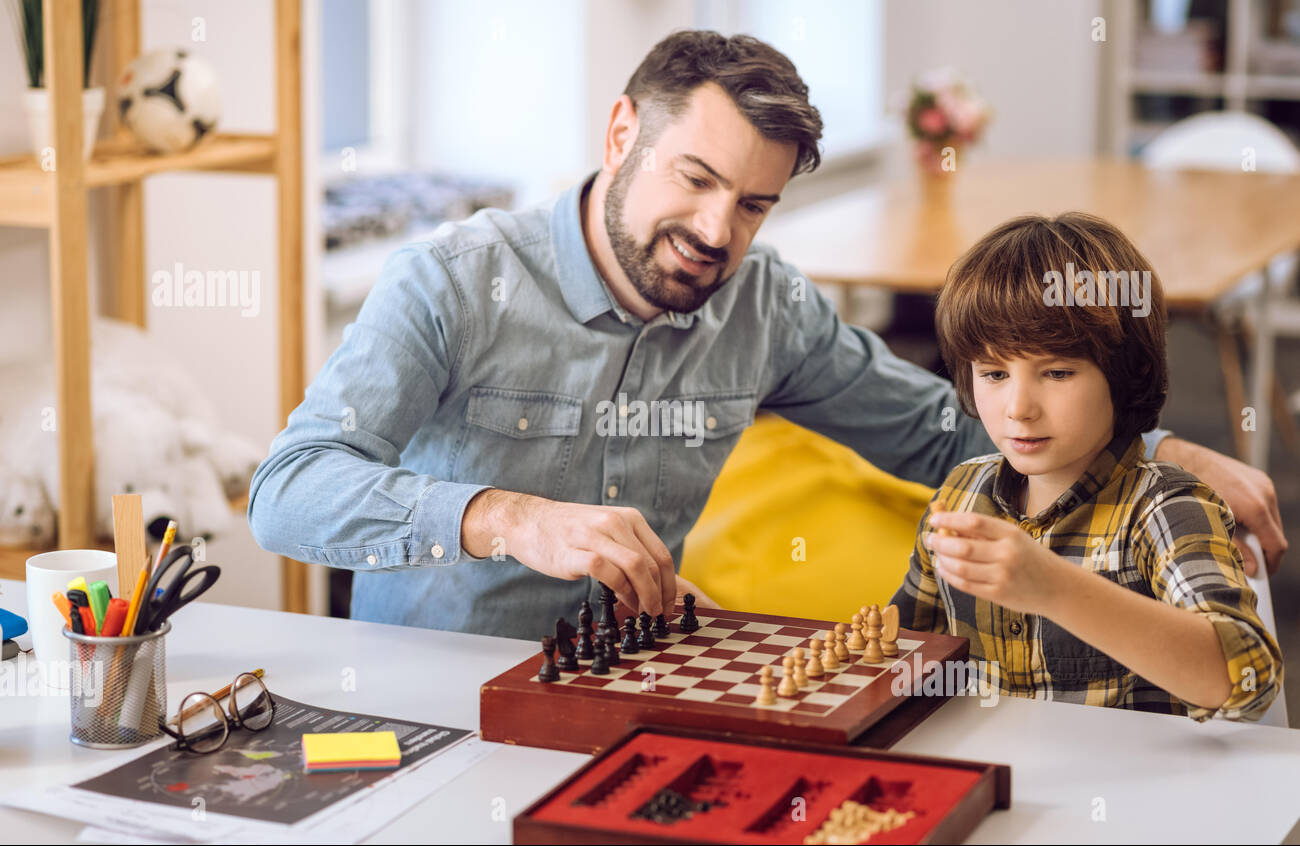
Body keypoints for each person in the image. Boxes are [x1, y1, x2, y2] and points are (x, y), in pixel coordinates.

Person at [247, 30, 1286, 638]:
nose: (714, 233)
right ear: (621, 135)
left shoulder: (767, 306)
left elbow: (940, 436)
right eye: (694, 181)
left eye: (752, 205)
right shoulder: (451, 280)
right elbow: (287, 492)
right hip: (435, 701)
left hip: (643, 676)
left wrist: (1156, 450)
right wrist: (510, 516)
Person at [890, 213, 1282, 720]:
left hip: (1131, 791)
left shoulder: (1166, 507)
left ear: (1129, 372)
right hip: (990, 778)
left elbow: (1244, 679)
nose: (1018, 407)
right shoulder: (962, 492)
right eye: (993, 373)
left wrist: (1053, 587)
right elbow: (907, 644)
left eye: (1056, 372)